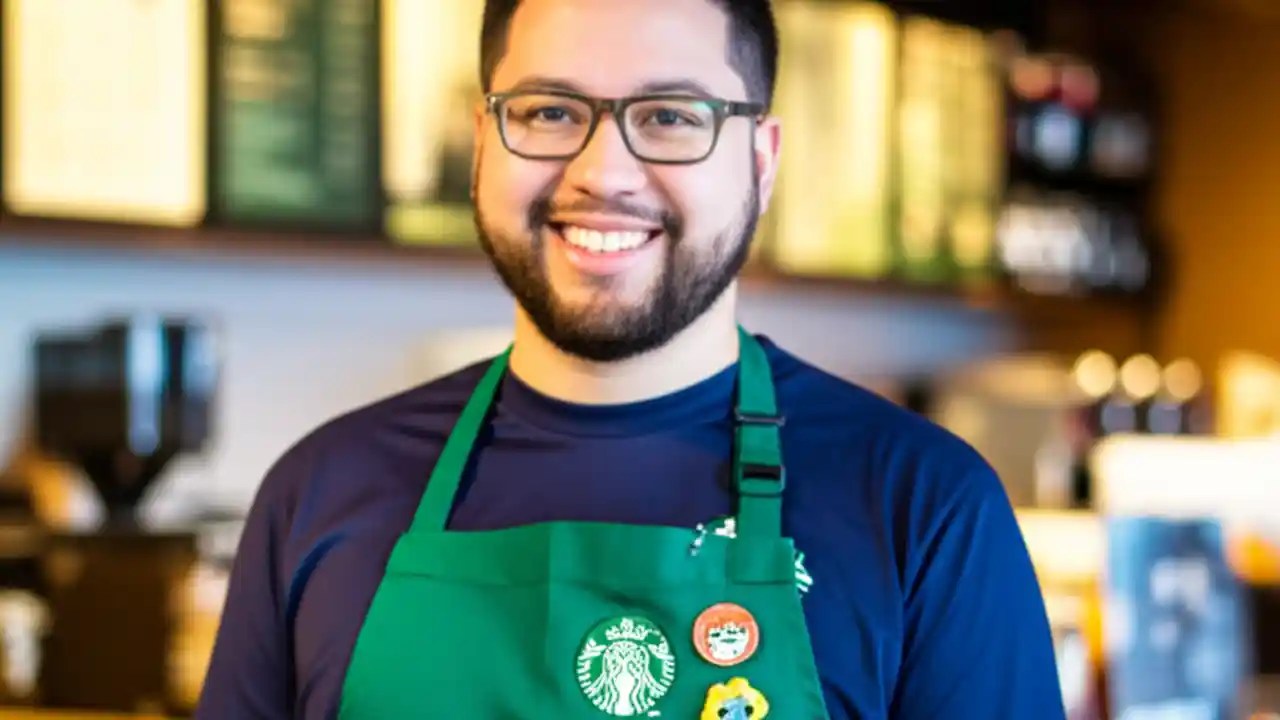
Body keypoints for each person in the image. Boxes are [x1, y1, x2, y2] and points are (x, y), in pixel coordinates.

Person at [196, 0, 1066, 717]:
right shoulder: (318, 495)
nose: (603, 171)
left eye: (670, 117)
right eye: (547, 112)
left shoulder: (924, 509)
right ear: (482, 143)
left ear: (762, 162)